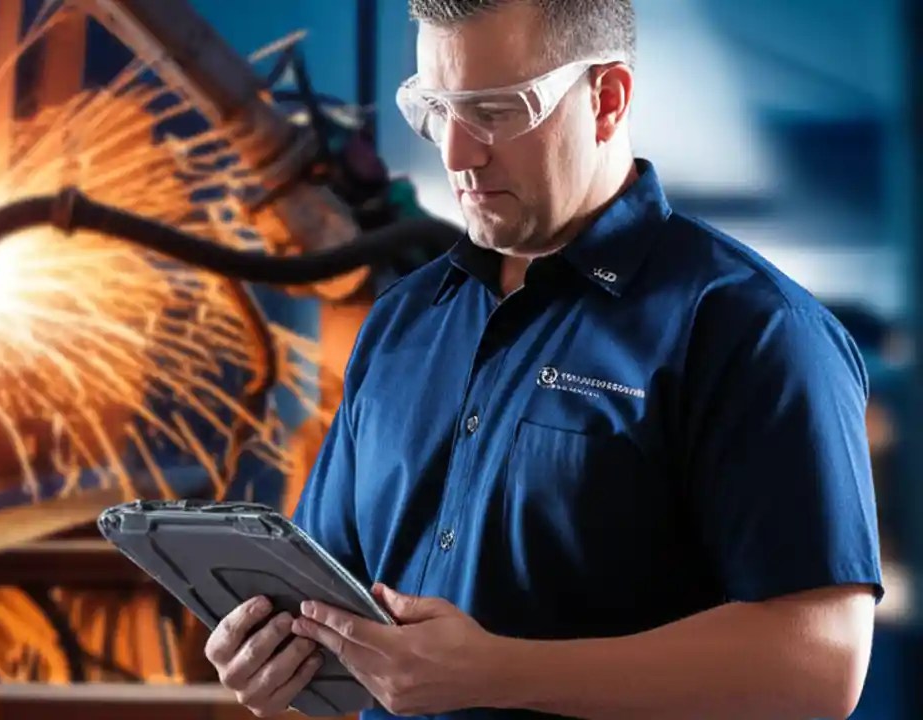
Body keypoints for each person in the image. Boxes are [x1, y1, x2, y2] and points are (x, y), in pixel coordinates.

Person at [202, 1, 883, 717]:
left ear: (608, 98)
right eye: (436, 109)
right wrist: (269, 647)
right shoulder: (402, 322)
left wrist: (499, 672)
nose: (457, 152)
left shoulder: (752, 331)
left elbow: (820, 666)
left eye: (495, 111)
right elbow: (328, 587)